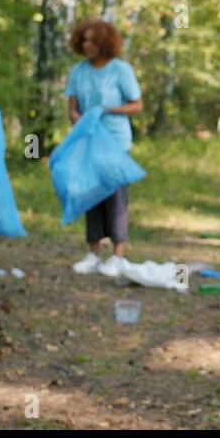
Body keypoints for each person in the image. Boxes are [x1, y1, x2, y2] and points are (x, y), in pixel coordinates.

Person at [65, 19, 143, 278]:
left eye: (93, 41)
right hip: (88, 141)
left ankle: (117, 256)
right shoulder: (78, 71)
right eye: (84, 40)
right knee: (91, 193)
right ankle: (94, 253)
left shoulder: (121, 70)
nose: (87, 45)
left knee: (116, 195)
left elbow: (137, 105)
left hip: (116, 142)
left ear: (104, 43)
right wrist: (81, 121)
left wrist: (109, 111)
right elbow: (72, 109)